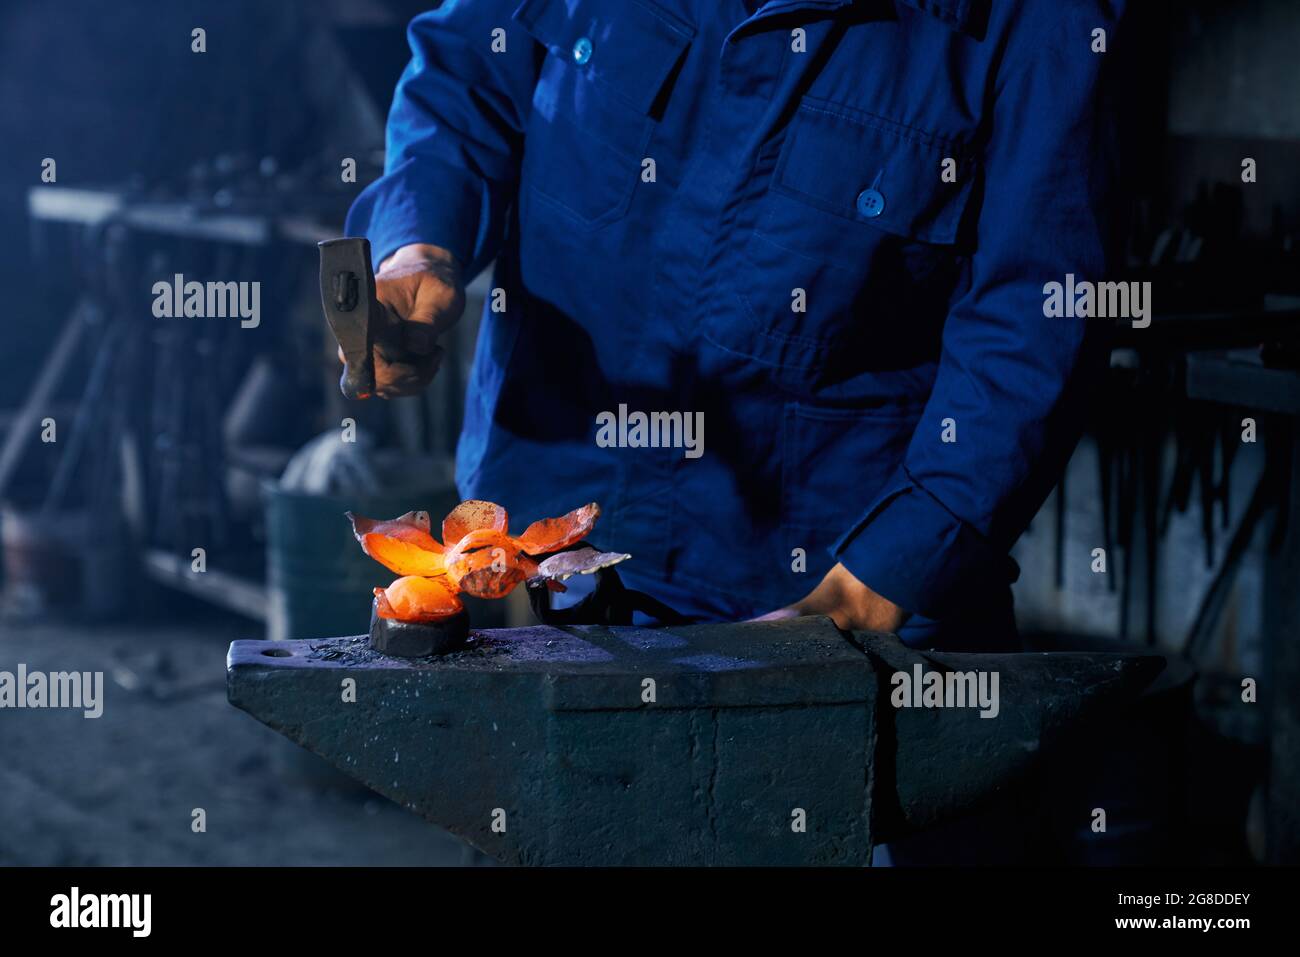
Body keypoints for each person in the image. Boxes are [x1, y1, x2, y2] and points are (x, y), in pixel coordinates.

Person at [345, 0, 1123, 653]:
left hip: (839, 596)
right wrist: (422, 240)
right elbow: (468, 74)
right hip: (557, 549)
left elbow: (1039, 307)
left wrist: (890, 575)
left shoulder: (1037, 19)